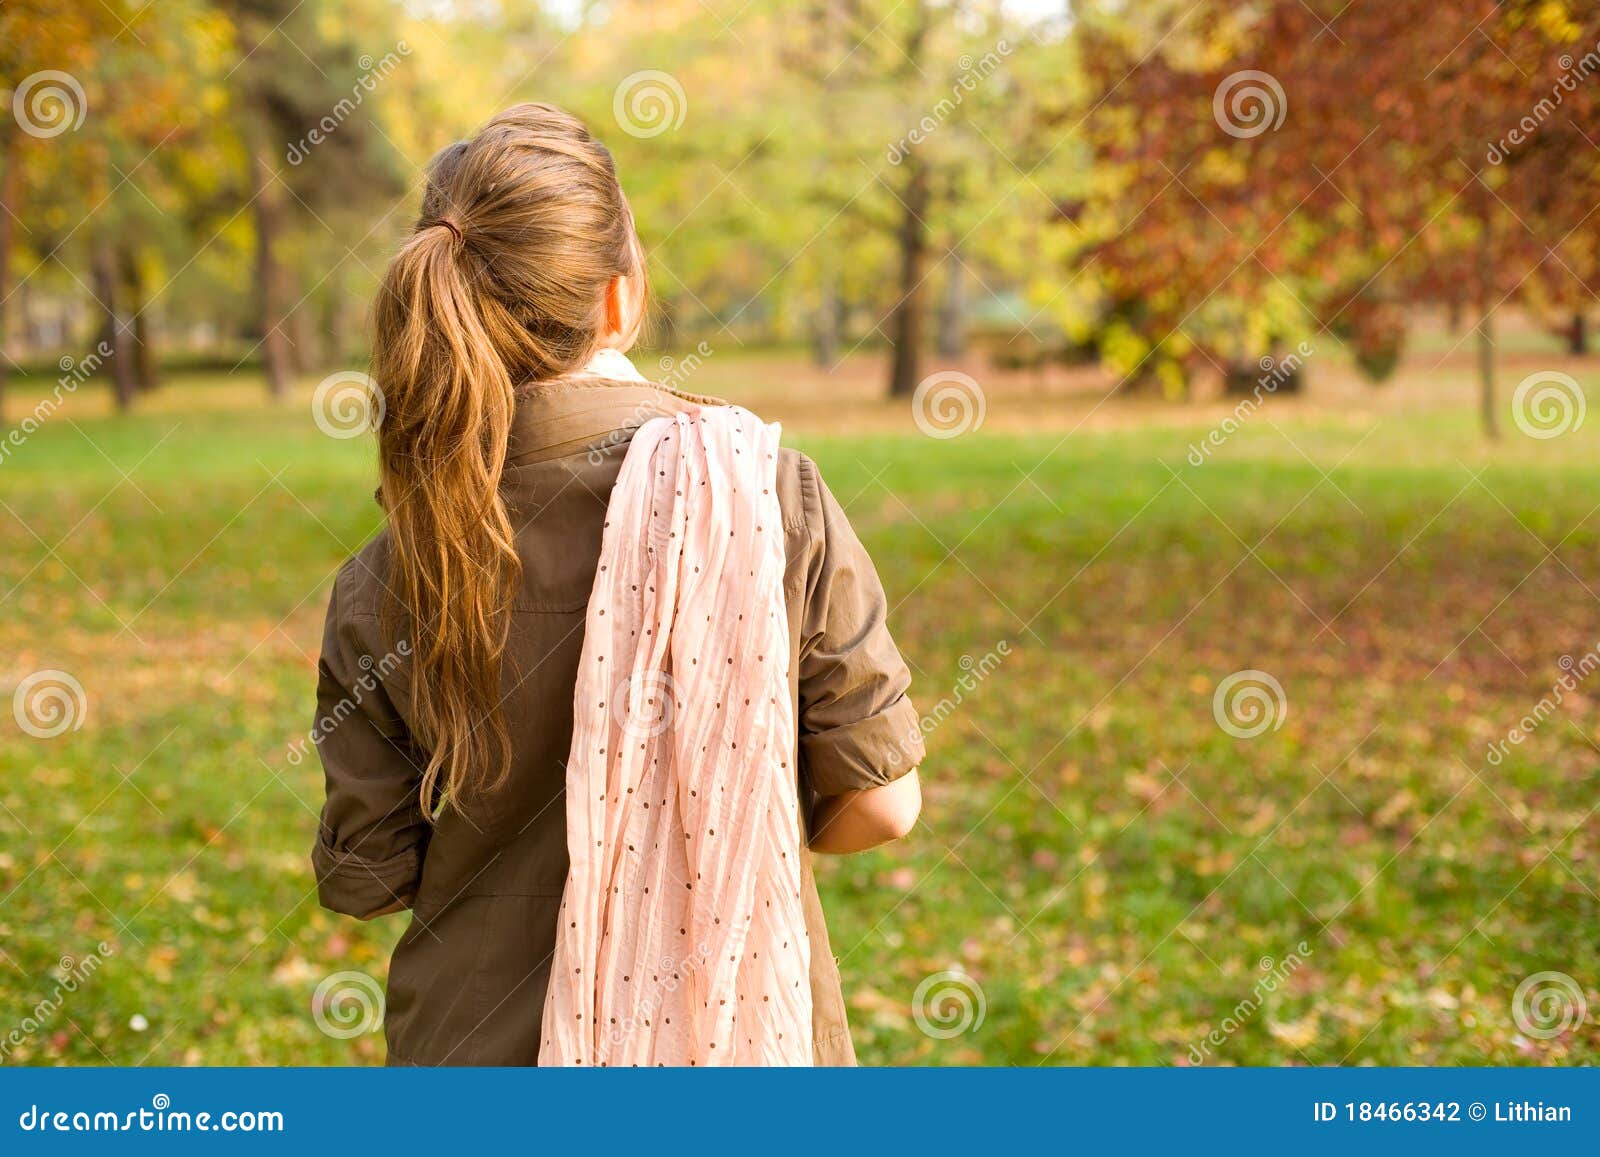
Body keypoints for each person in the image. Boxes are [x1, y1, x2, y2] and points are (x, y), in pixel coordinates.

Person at [310, 102, 923, 1066]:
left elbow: (369, 872)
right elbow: (882, 802)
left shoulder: (393, 566)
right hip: (734, 1039)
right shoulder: (765, 493)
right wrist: (717, 836)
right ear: (619, 298)